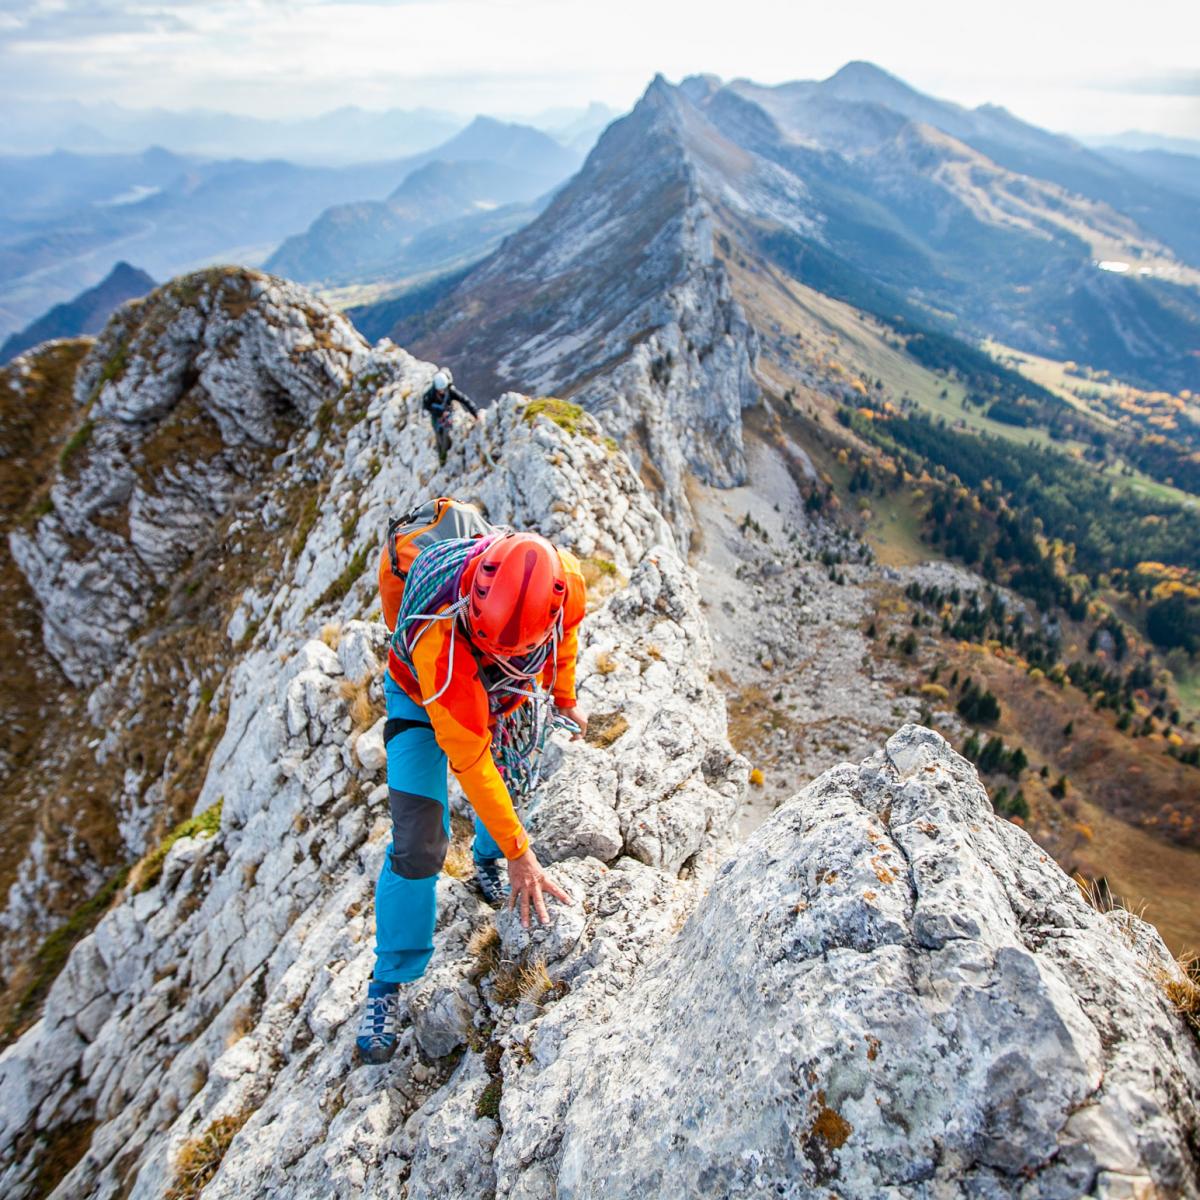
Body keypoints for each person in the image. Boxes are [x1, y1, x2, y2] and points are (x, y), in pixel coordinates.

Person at [357, 530, 588, 1064]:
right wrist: (521, 856)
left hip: (497, 693)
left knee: (513, 778)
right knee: (419, 844)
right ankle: (388, 982)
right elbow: (471, 762)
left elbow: (567, 632)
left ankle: (484, 861)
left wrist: (564, 695)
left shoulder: (564, 582)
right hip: (419, 696)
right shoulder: (439, 637)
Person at [422, 369, 477, 464]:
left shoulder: (450, 391)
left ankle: (445, 451)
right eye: (440, 390)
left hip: (447, 416)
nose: (443, 391)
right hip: (436, 418)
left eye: (444, 389)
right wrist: (439, 412)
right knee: (439, 436)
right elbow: (426, 406)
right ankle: (442, 458)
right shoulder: (429, 395)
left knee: (445, 435)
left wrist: (475, 413)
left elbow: (464, 400)